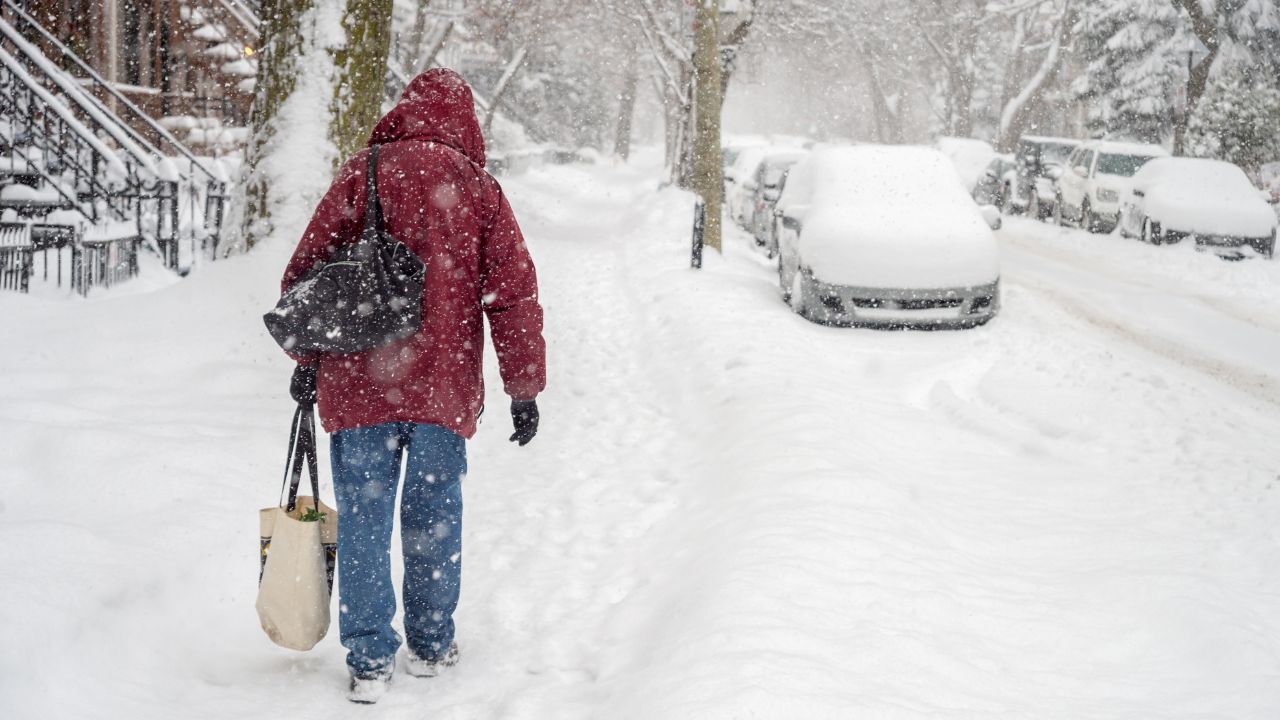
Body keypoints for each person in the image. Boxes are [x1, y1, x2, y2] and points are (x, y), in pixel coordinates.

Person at [279, 68, 546, 704]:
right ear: (467, 121)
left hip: (359, 384)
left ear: (405, 111)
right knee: (434, 519)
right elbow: (512, 295)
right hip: (443, 390)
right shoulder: (480, 188)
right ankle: (429, 643)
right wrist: (523, 386)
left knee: (365, 521)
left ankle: (370, 659)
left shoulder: (362, 172)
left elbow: (308, 272)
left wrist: (309, 356)